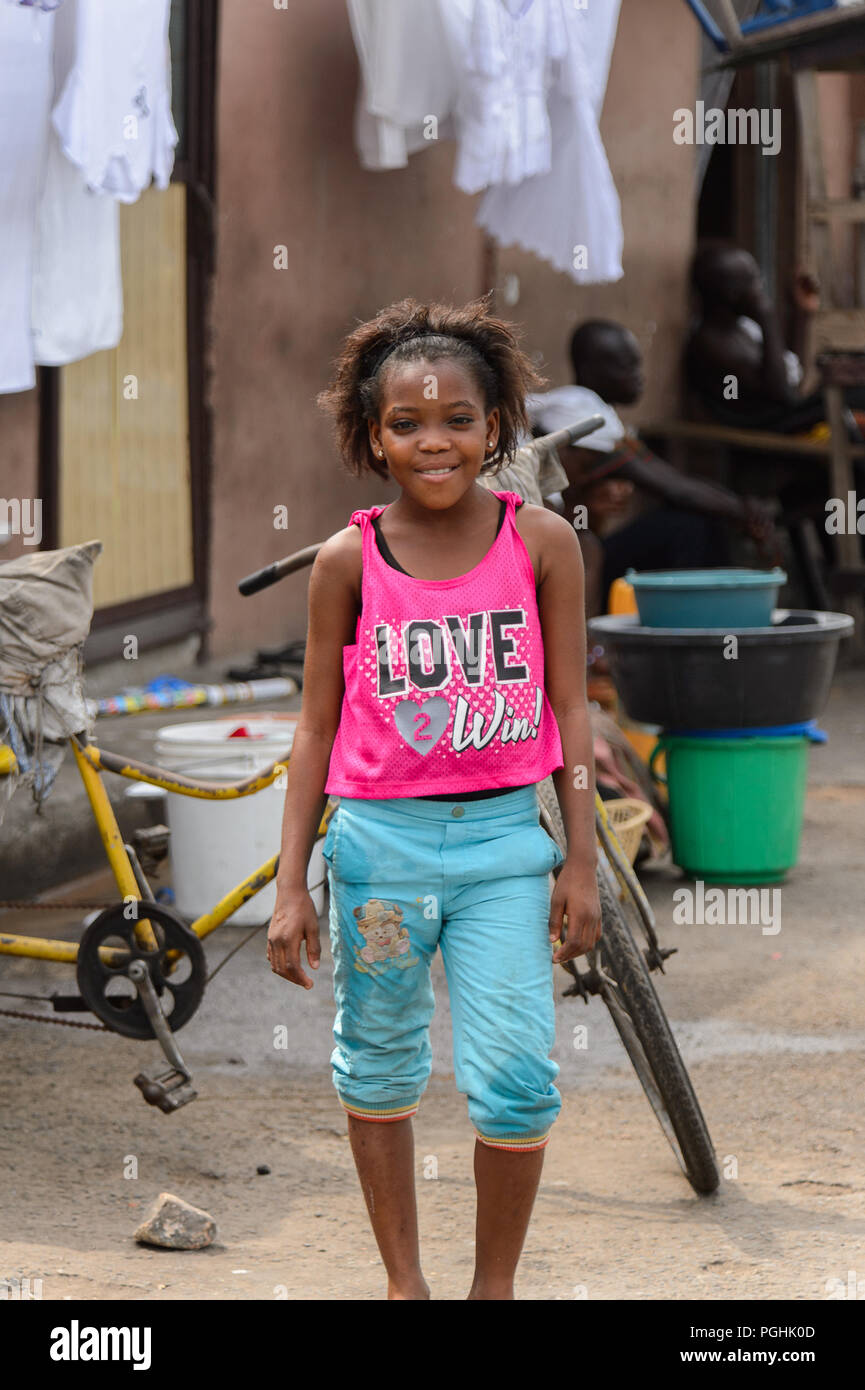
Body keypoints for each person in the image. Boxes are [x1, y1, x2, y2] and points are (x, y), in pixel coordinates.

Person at [266, 296, 601, 1301]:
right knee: (376, 1066)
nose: (434, 439)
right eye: (405, 422)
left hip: (505, 846)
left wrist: (579, 860)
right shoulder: (344, 560)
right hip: (378, 855)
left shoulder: (541, 542)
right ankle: (403, 1285)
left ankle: (490, 1289)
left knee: (514, 1079)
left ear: (495, 423)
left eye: (457, 416)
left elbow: (572, 709)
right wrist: (290, 885)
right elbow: (314, 731)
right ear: (371, 435)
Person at [527, 319, 774, 616]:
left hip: (579, 554)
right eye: (626, 367)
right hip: (562, 561)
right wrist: (747, 513)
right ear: (590, 370)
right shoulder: (586, 420)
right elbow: (676, 488)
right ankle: (695, 622)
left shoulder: (592, 413)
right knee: (686, 527)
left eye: (638, 365)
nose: (639, 377)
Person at [685, 241, 865, 434]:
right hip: (767, 430)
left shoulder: (742, 328)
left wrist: (802, 315)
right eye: (752, 280)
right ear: (732, 293)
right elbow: (782, 396)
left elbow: (791, 373)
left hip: (787, 415)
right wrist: (767, 317)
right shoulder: (712, 343)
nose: (760, 285)